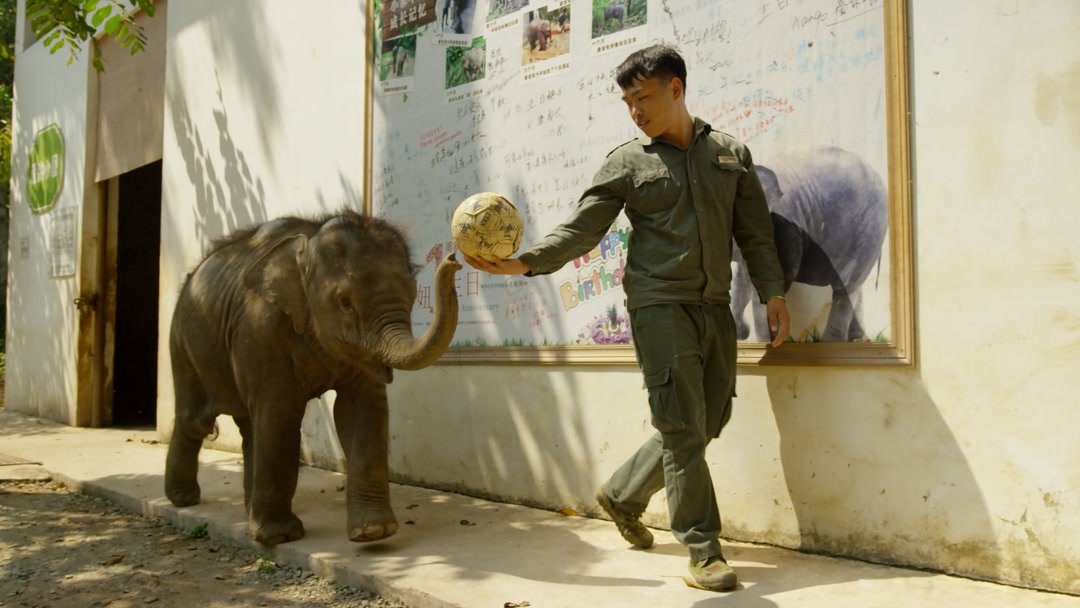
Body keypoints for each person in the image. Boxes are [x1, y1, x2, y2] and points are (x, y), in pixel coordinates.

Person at [463, 44, 790, 592]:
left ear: (676, 89)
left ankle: (623, 493)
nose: (634, 109)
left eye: (642, 97)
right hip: (658, 304)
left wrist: (773, 292)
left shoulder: (730, 155)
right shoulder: (627, 163)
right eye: (626, 101)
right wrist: (522, 264)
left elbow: (755, 233)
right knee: (683, 428)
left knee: (707, 421)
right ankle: (703, 549)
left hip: (713, 307)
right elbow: (581, 229)